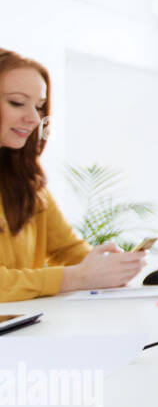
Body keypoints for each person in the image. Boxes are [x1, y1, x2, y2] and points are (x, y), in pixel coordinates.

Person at [0, 49, 146, 301]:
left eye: (39, 106)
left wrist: (111, 265)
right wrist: (76, 277)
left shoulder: (27, 183)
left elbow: (66, 248)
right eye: (16, 102)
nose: (34, 118)